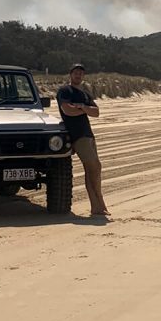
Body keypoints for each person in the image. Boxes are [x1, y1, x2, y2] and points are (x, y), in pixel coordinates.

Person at [56, 64, 109, 216]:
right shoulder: (65, 91)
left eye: (81, 73)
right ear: (70, 74)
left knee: (95, 168)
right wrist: (84, 109)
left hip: (88, 134)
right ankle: (97, 205)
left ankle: (98, 204)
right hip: (78, 135)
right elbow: (67, 110)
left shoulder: (85, 94)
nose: (78, 75)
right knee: (93, 166)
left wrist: (81, 107)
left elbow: (96, 112)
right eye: (76, 73)